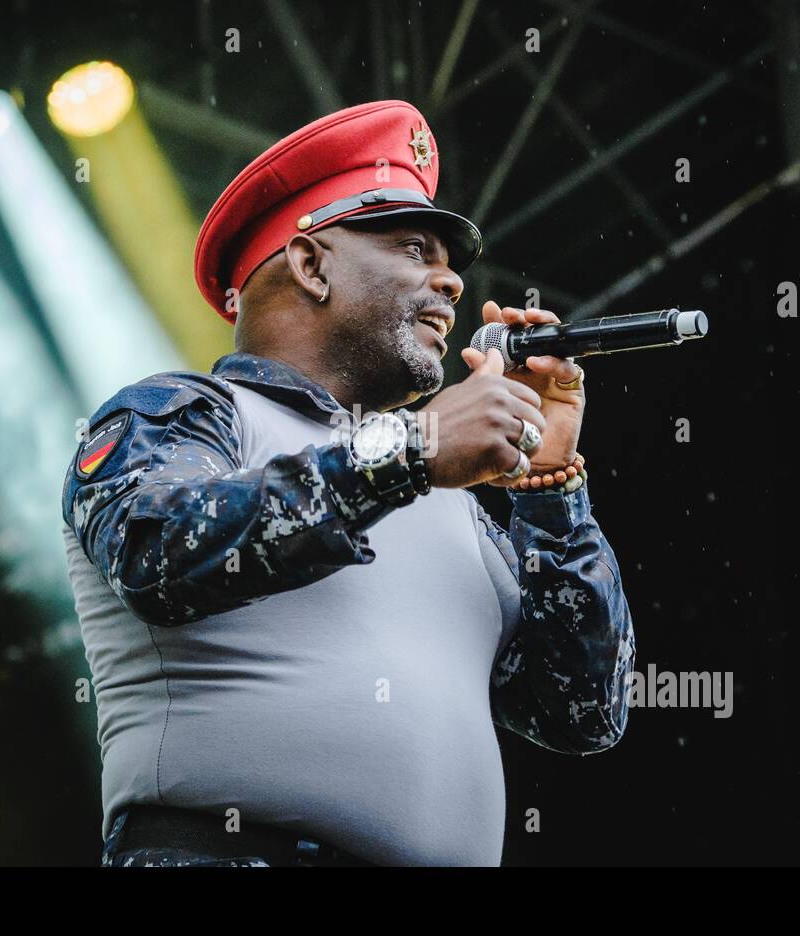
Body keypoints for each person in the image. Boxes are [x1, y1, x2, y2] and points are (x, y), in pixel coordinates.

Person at [61, 100, 635, 867]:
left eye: (449, 263)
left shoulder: (449, 499)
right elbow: (156, 554)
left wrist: (548, 487)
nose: (451, 282)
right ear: (311, 265)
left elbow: (583, 713)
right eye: (414, 249)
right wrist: (411, 450)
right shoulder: (184, 413)